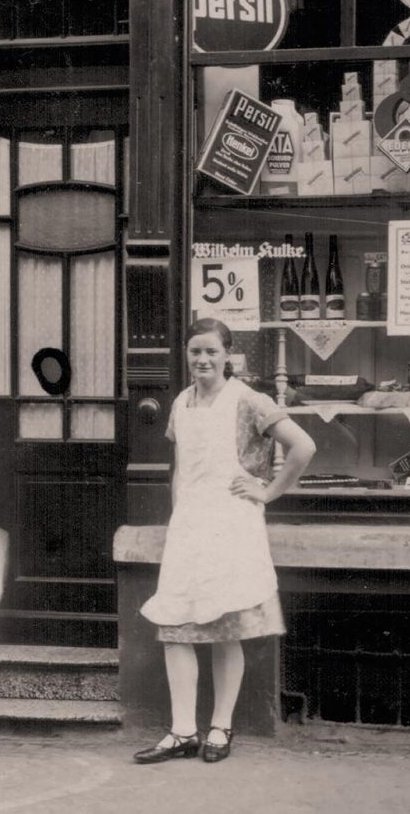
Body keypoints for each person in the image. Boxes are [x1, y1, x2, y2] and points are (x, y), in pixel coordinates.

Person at [135, 317, 316, 765]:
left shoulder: (248, 400)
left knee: (223, 629)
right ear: (186, 354)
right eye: (195, 351)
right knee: (175, 628)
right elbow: (181, 467)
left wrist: (267, 492)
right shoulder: (181, 402)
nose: (203, 359)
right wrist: (178, 518)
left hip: (231, 526)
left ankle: (220, 725)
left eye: (211, 351)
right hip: (189, 527)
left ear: (227, 355)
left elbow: (304, 447)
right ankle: (182, 731)